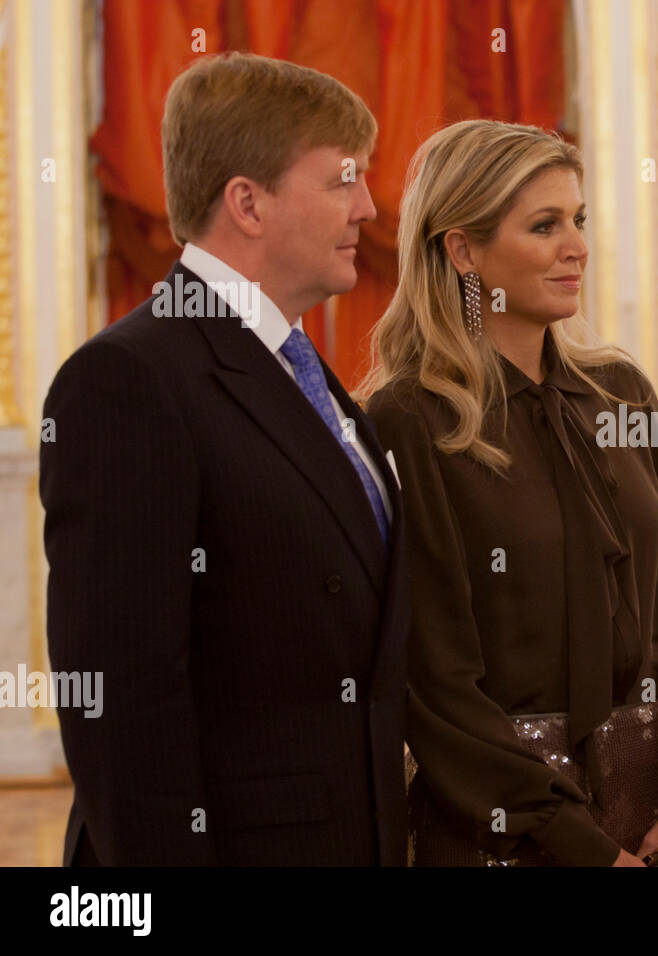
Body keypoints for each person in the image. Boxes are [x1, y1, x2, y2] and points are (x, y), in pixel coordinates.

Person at [41, 52, 409, 865]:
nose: (369, 207)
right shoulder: (128, 379)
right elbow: (118, 701)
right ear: (247, 201)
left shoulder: (300, 371)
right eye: (342, 180)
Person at [362, 119, 658, 867]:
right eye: (544, 225)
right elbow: (434, 678)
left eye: (578, 219)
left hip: (656, 825)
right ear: (463, 250)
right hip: (501, 829)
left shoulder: (622, 394)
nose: (576, 244)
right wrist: (574, 845)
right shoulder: (411, 418)